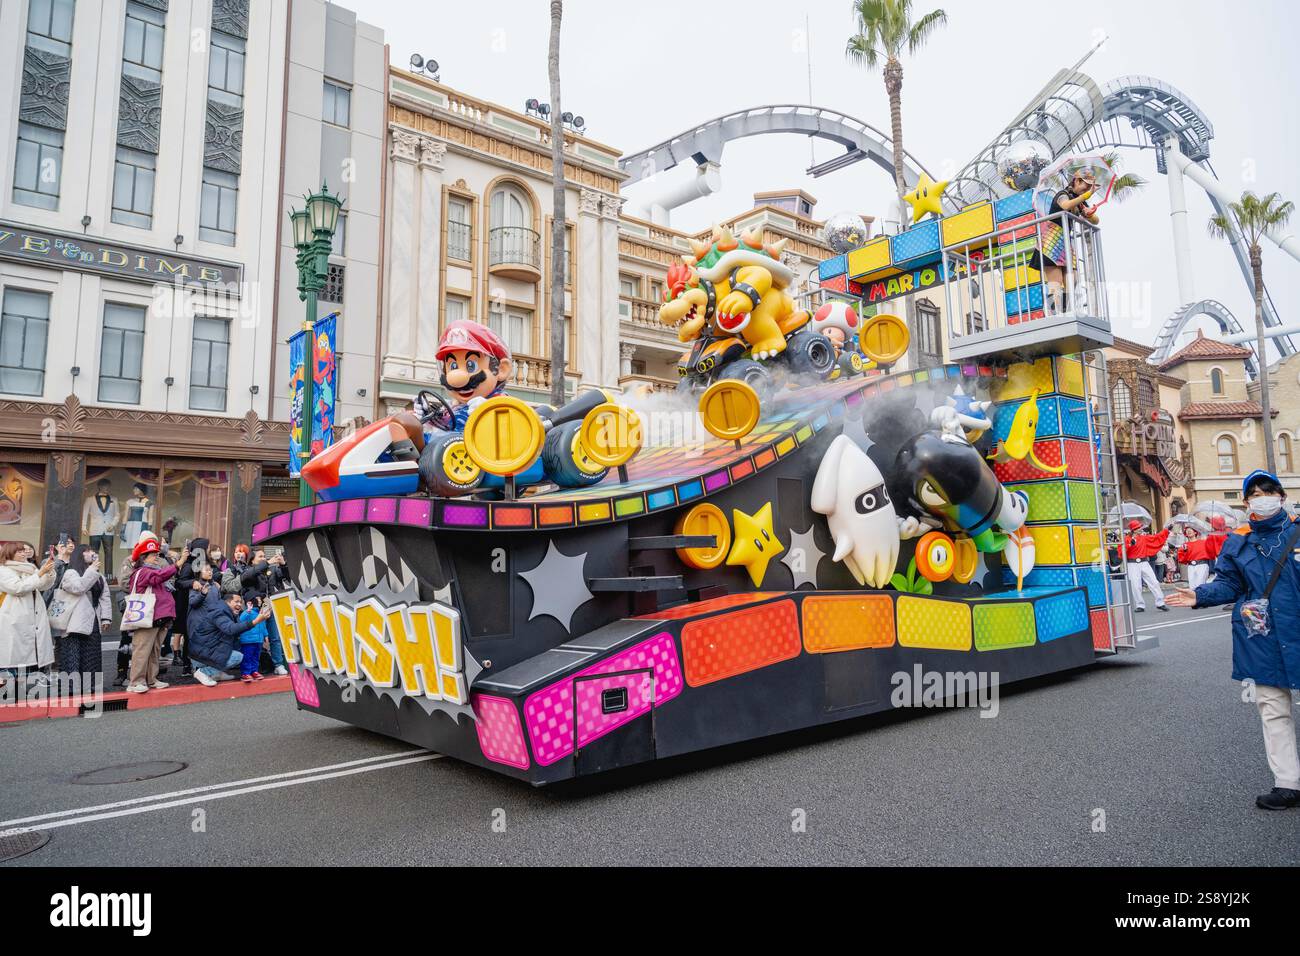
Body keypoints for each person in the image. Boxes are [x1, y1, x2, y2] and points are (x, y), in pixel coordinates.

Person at [1169, 471, 1300, 810]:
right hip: (1263, 636)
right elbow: (1228, 584)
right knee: (1273, 709)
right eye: (1255, 493)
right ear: (1246, 502)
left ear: (1282, 496)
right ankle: (1288, 784)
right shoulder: (1237, 543)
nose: (1262, 497)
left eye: (1268, 491)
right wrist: (1199, 595)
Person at [1032, 167, 1100, 315]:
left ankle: (1066, 310)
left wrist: (1089, 213)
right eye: (1086, 185)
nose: (1087, 189)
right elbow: (1065, 205)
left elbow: (1096, 220)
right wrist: (1087, 195)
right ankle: (1057, 313)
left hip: (1064, 241)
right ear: (1076, 181)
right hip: (1050, 239)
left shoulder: (1080, 201)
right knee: (1055, 282)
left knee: (1073, 279)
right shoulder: (1062, 194)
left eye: (1090, 187)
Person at [122, 538, 180, 694]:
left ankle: (151, 679)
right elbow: (160, 577)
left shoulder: (151, 571)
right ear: (143, 557)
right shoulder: (143, 572)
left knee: (154, 649)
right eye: (153, 554)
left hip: (157, 616)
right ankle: (135, 682)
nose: (156, 556)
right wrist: (177, 565)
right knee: (142, 649)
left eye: (156, 553)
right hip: (149, 616)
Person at [187, 587, 271, 687]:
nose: (240, 605)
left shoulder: (229, 613)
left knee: (238, 648)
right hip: (200, 656)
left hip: (206, 650)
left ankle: (216, 673)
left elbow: (237, 631)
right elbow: (230, 629)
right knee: (237, 657)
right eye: (236, 602)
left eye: (241, 602)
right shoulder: (219, 612)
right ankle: (204, 672)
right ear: (227, 602)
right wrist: (255, 621)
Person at [0, 541, 57, 687]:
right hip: (13, 618)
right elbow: (18, 587)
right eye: (19, 551)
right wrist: (40, 573)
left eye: (24, 551)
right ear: (9, 553)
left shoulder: (28, 569)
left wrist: (49, 572)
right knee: (12, 656)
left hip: (32, 617)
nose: (24, 553)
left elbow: (43, 585)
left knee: (26, 658)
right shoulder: (3, 570)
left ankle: (21, 689)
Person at [52, 543, 112, 680]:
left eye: (92, 551)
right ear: (79, 555)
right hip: (74, 621)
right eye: (87, 551)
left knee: (92, 655)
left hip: (93, 620)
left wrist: (106, 618)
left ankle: (90, 687)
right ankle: (70, 688)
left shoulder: (99, 575)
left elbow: (105, 596)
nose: (91, 553)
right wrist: (92, 571)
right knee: (72, 655)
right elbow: (78, 588)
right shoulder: (70, 573)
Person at [1124, 519, 1170, 612]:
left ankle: (1160, 603)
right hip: (1132, 564)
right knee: (1135, 585)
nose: (1140, 528)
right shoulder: (1127, 539)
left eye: (1140, 527)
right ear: (1133, 529)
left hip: (1144, 562)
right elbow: (1122, 551)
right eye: (1138, 527)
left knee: (1154, 582)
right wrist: (1129, 545)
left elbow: (1156, 538)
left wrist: (1166, 530)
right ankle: (1140, 605)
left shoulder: (1144, 538)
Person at [82, 478, 120, 571]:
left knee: (109, 552)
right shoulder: (90, 499)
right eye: (104, 486)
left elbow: (117, 514)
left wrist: (113, 524)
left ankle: (109, 576)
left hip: (108, 530)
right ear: (99, 487)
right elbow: (85, 513)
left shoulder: (114, 499)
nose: (107, 488)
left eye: (108, 486)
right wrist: (83, 526)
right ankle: (94, 573)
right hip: (95, 530)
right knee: (94, 553)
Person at [236, 600, 269, 683]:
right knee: (247, 657)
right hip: (248, 641)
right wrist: (247, 611)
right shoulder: (247, 612)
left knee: (256, 657)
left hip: (258, 640)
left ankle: (254, 671)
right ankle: (245, 673)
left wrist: (265, 635)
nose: (259, 601)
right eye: (257, 599)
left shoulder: (261, 612)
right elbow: (240, 620)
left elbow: (263, 625)